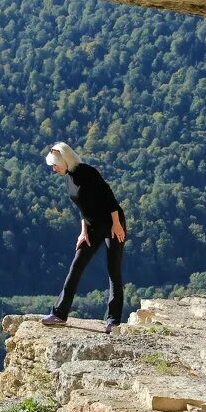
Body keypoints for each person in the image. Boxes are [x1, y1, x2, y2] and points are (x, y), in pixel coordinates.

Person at [40, 142, 127, 333]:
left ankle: (113, 321)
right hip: (92, 226)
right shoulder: (69, 177)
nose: (54, 170)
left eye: (55, 165)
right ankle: (59, 314)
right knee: (76, 266)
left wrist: (117, 223)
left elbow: (108, 197)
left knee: (114, 271)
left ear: (65, 160)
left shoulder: (87, 172)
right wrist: (83, 231)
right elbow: (83, 207)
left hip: (112, 223)